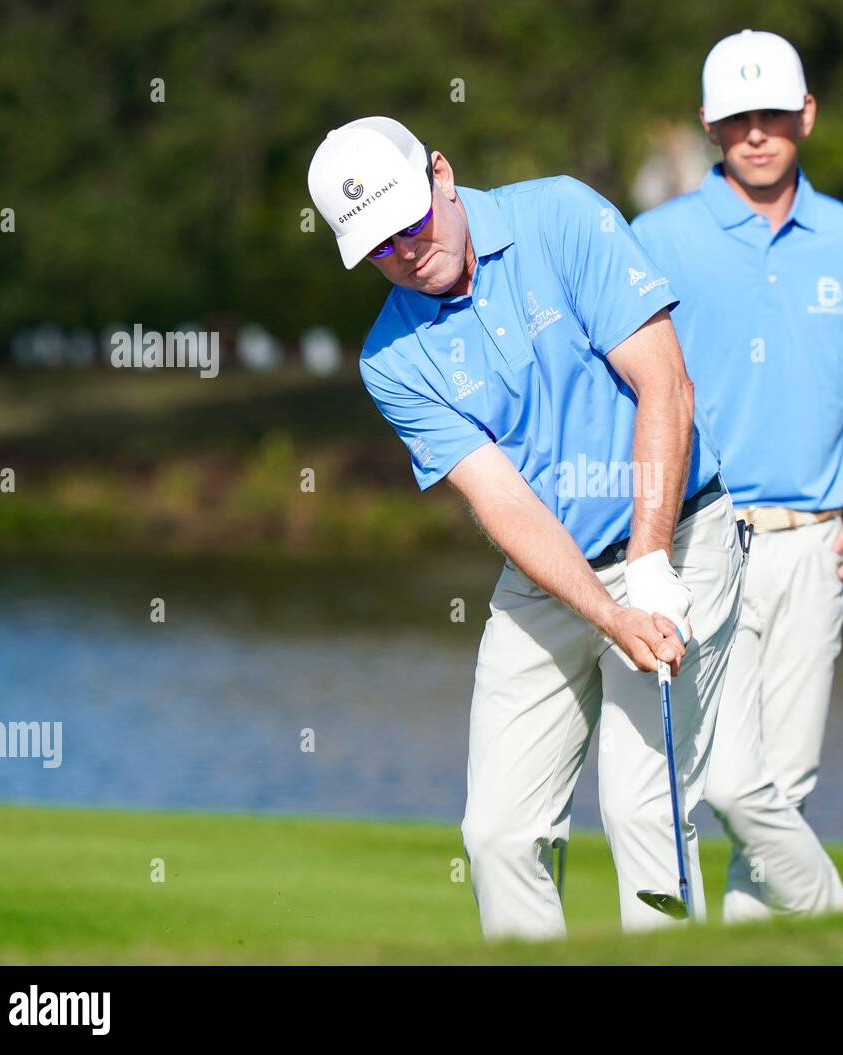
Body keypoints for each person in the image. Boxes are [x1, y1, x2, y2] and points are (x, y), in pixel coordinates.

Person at [307, 116, 744, 939]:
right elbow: (504, 502)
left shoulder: (560, 216)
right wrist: (608, 611)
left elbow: (666, 387)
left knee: (643, 811)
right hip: (551, 573)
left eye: (410, 220)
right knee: (499, 833)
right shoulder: (391, 359)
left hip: (679, 533)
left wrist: (649, 564)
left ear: (442, 172)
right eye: (377, 245)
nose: (404, 250)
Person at [632, 30, 843, 922]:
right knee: (724, 780)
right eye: (736, 120)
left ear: (806, 115)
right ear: (708, 125)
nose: (756, 135)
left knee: (784, 791)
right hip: (698, 542)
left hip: (816, 545)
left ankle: (761, 944)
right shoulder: (658, 237)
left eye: (773, 116)